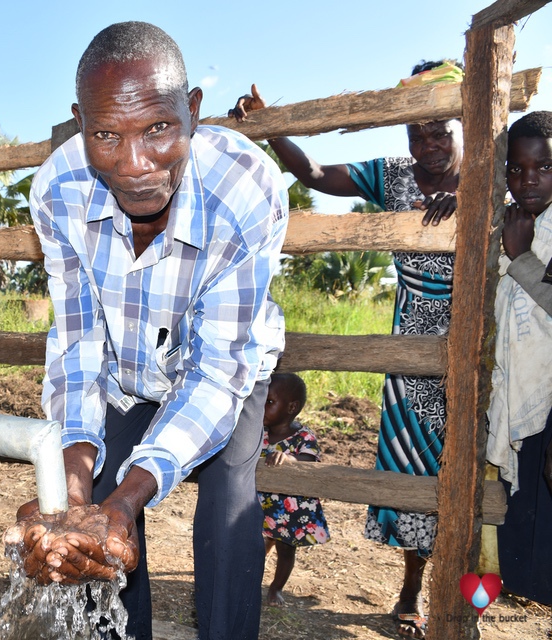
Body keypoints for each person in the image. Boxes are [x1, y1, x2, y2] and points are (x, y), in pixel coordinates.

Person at [9, 21, 288, 640]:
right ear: (80, 122)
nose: (134, 165)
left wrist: (132, 499)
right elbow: (78, 350)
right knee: (94, 513)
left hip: (225, 367)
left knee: (227, 503)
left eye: (158, 129)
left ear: (192, 112)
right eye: (106, 135)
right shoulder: (59, 191)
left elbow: (216, 374)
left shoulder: (244, 190)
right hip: (125, 369)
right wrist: (76, 481)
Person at [232, 60, 462, 639]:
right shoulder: (394, 175)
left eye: (439, 129)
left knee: (469, 467)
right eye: (417, 131)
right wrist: (270, 128)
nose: (428, 143)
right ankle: (412, 589)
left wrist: (472, 206)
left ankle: (461, 591)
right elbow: (313, 174)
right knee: (418, 468)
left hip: (477, 339)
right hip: (410, 342)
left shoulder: (489, 174)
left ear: (462, 122)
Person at [487, 110, 552, 607]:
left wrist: (524, 257)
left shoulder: (526, 232)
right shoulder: (511, 218)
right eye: (516, 169)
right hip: (526, 398)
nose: (527, 180)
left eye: (543, 167)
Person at [258, 373, 330, 607]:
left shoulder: (303, 436)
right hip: (261, 502)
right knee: (257, 542)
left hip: (290, 508)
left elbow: (309, 461)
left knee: (286, 549)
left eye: (269, 402)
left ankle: (276, 588)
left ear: (291, 407)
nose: (262, 407)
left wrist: (289, 459)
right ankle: (253, 574)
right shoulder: (259, 431)